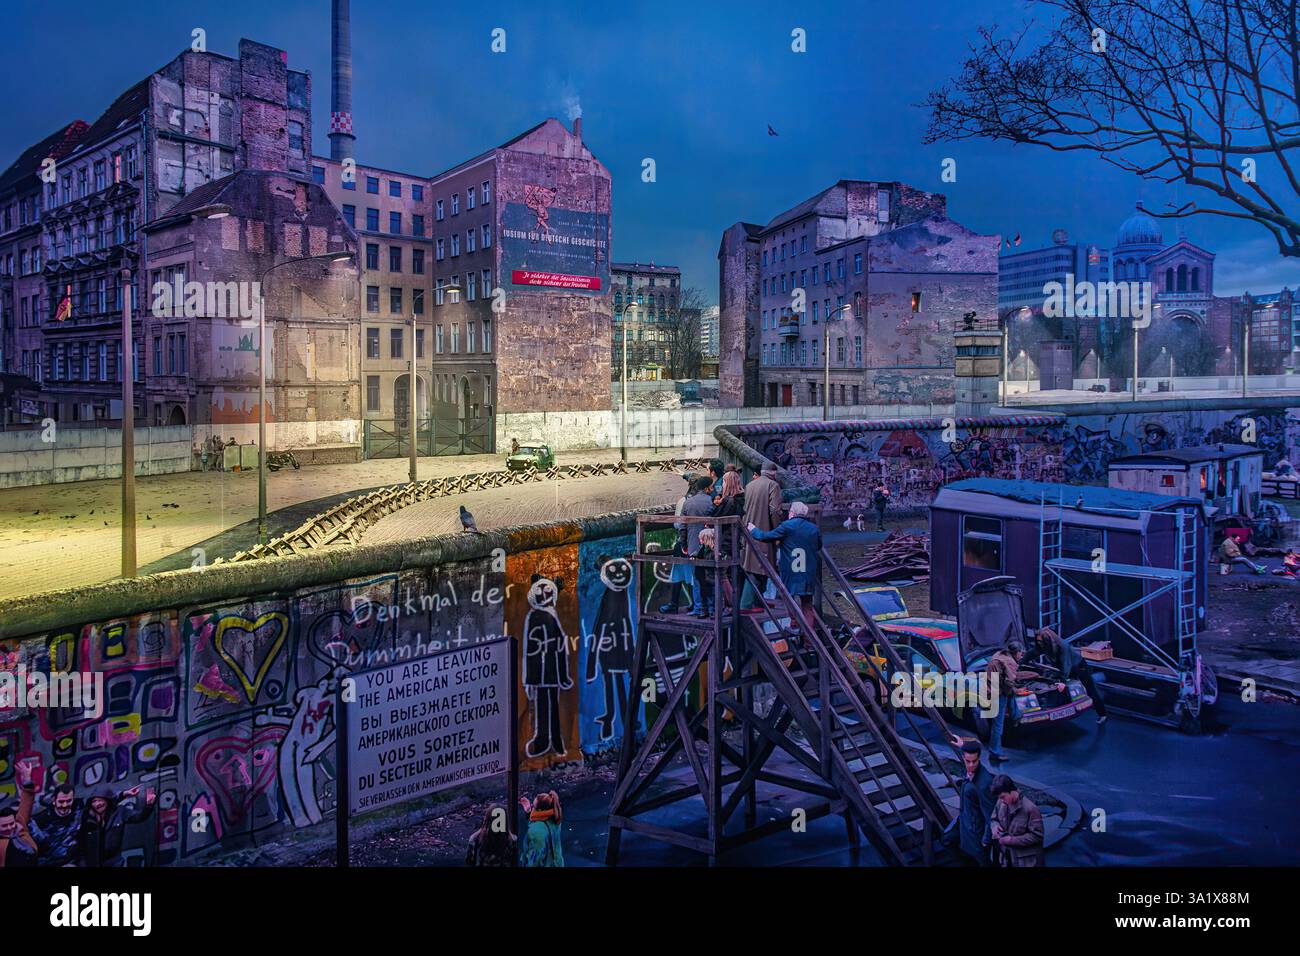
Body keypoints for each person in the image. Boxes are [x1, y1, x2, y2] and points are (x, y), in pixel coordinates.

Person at [749, 499, 822, 632]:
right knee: (807, 605)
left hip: (792, 570)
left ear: (792, 513)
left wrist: (753, 530)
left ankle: (794, 622)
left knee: (787, 597)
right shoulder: (813, 528)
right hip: (808, 572)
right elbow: (818, 545)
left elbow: (766, 537)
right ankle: (809, 639)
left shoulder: (787, 526)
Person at [1034, 626, 1106, 723]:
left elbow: (1066, 666)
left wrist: (1063, 681)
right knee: (1052, 681)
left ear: (1046, 640)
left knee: (1091, 689)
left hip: (1078, 666)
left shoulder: (1062, 646)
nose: (1039, 643)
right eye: (1038, 641)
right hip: (1064, 667)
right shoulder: (1045, 646)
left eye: (1041, 641)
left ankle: (1102, 714)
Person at [78, 784, 157, 867]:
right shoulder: (87, 817)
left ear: (107, 801)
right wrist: (123, 794)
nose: (97, 804)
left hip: (114, 861)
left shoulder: (120, 812)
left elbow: (138, 817)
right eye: (94, 801)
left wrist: (149, 805)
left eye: (100, 800)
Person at [947, 739, 996, 866]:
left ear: (979, 759)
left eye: (974, 762)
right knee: (948, 841)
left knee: (981, 862)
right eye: (967, 761)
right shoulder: (970, 767)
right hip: (966, 824)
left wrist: (986, 840)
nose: (970, 765)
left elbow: (991, 816)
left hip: (976, 834)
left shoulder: (984, 783)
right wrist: (962, 745)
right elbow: (969, 754)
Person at [741, 464, 783, 610]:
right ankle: (746, 604)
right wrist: (778, 531)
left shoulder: (749, 485)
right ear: (774, 473)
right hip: (764, 531)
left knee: (755, 565)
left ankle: (758, 601)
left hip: (748, 530)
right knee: (759, 567)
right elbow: (775, 511)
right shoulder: (773, 486)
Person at [990, 774, 1045, 867]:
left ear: (1012, 791)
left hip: (1026, 862)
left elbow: (1037, 836)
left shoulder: (1031, 809)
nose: (1001, 800)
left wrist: (1011, 840)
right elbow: (994, 818)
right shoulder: (1001, 801)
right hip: (1007, 858)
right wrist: (995, 827)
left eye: (1003, 797)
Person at [985, 640, 1026, 762]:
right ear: (1016, 652)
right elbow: (1009, 683)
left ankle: (1016, 715)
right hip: (997, 693)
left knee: (1011, 699)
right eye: (1021, 653)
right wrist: (1016, 690)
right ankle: (994, 752)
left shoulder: (1000, 654)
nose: (1021, 656)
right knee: (998, 724)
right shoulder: (1010, 662)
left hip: (994, 688)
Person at [680, 477, 717, 615]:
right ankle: (713, 609)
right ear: (707, 488)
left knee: (697, 577)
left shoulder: (688, 503)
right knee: (712, 576)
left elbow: (682, 526)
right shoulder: (712, 502)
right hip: (711, 544)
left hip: (693, 544)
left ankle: (700, 608)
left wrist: (684, 544)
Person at [0, 761, 42, 868]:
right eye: (4, 825)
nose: (9, 827)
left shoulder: (19, 826)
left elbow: (27, 803)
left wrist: (27, 779)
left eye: (11, 823)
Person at [33, 783, 84, 867]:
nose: (64, 805)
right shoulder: (41, 820)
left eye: (68, 801)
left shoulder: (79, 812)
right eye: (61, 802)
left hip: (72, 862)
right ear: (54, 800)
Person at [520, 791, 565, 867]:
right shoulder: (555, 819)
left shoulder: (537, 830)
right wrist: (528, 812)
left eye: (533, 806)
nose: (532, 806)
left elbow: (535, 859)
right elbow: (540, 823)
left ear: (539, 810)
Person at [694, 527, 718, 618]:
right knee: (703, 594)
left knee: (711, 594)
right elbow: (697, 554)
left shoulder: (713, 550)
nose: (700, 540)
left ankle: (712, 612)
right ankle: (704, 611)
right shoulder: (702, 548)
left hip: (710, 575)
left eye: (701, 538)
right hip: (702, 575)